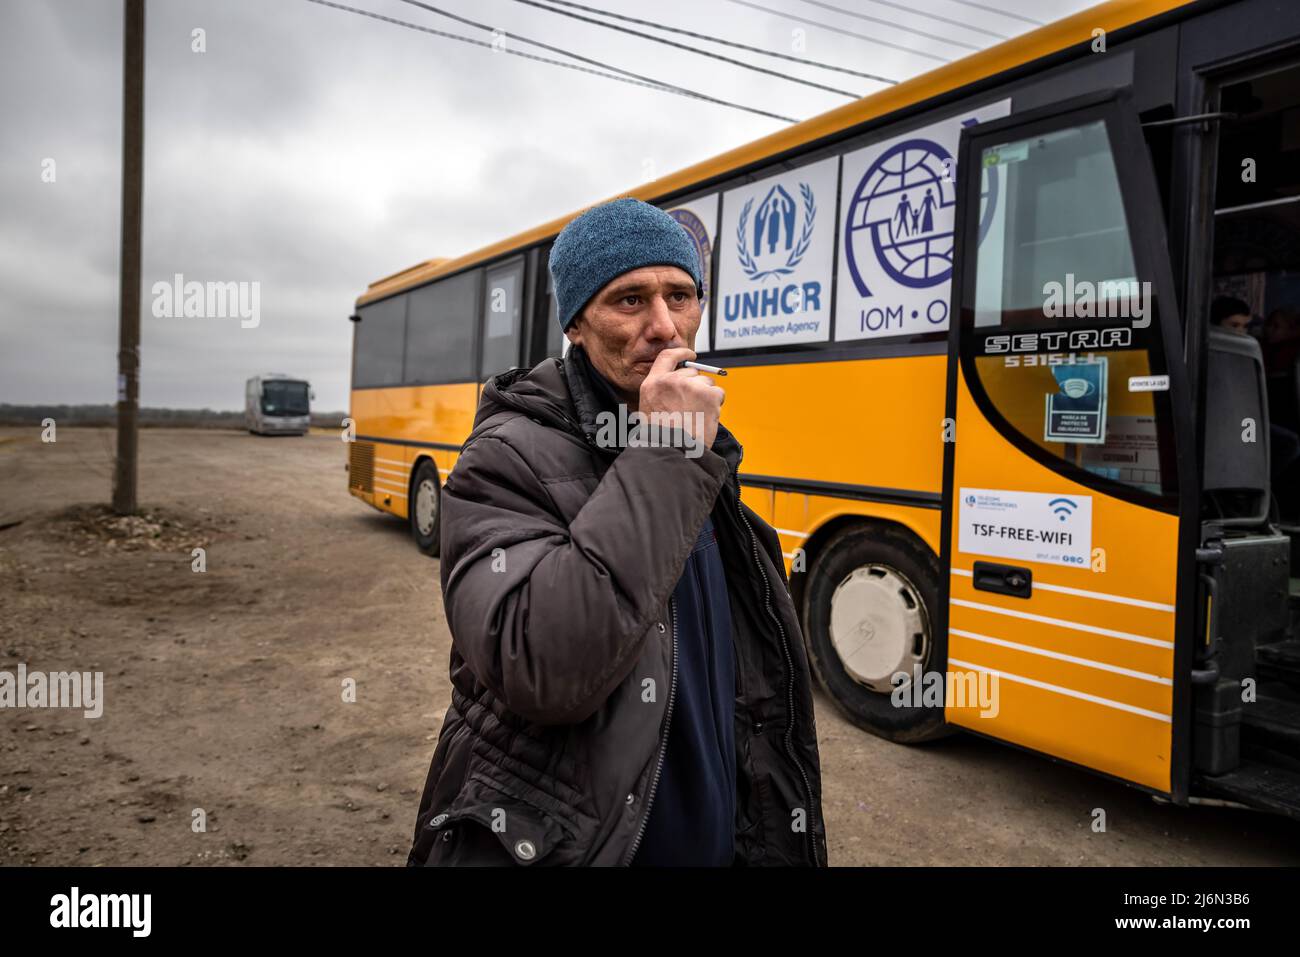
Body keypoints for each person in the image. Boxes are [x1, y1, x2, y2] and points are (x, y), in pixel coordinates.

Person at [406, 197, 828, 867]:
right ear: (576, 323)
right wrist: (665, 447)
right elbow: (542, 667)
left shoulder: (700, 461)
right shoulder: (507, 455)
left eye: (681, 296)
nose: (665, 326)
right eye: (629, 300)